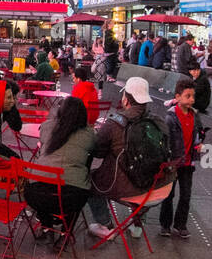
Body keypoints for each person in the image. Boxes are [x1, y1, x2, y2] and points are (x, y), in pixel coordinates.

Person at [86, 76, 165, 242]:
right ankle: (137, 225)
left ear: (126, 100)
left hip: (123, 187)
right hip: (154, 188)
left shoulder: (114, 123)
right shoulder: (157, 121)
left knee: (89, 181)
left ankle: (105, 225)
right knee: (143, 172)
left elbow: (98, 152)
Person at [24, 96, 96, 248]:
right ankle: (65, 234)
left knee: (46, 183)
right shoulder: (89, 134)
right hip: (70, 198)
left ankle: (46, 228)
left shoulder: (47, 126)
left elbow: (43, 145)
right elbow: (94, 150)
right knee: (81, 184)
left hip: (35, 194)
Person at [158, 78, 205, 239]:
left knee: (186, 195)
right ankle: (165, 225)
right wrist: (168, 161)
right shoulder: (171, 118)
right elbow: (166, 141)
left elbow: (198, 133)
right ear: (177, 97)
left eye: (193, 96)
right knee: (168, 195)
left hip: (188, 163)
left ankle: (180, 224)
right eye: (188, 96)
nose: (192, 99)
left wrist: (199, 144)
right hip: (174, 163)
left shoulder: (195, 116)